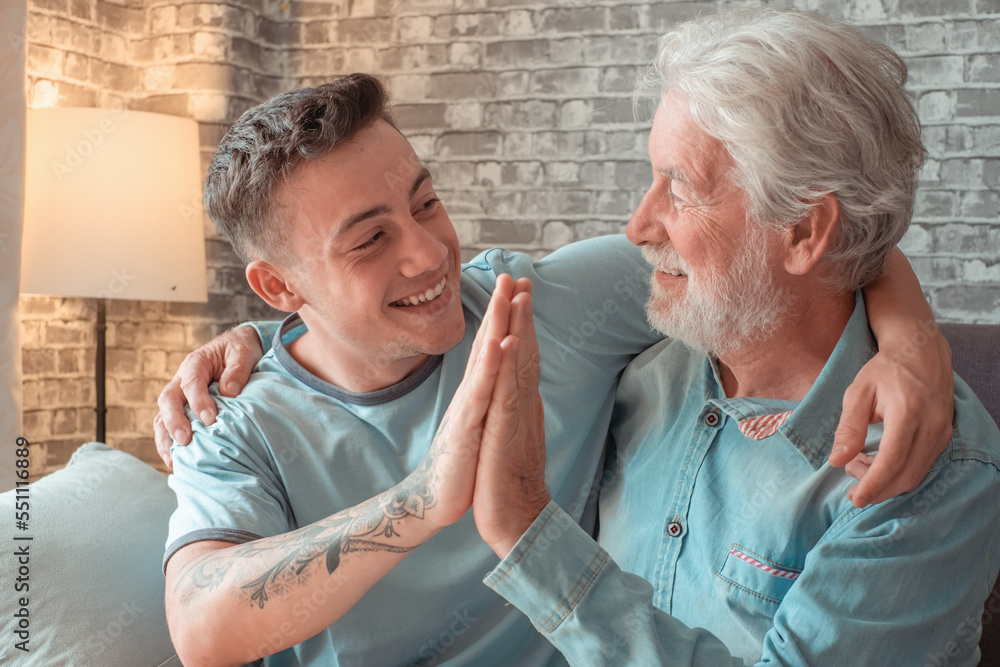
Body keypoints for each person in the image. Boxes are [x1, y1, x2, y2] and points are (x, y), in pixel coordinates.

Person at [158, 71, 955, 666]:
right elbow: (200, 627)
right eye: (370, 240)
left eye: (425, 202)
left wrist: (914, 342)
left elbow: (791, 253)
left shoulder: (541, 302)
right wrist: (424, 501)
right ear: (280, 286)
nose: (430, 252)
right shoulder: (233, 416)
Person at [466, 8, 1000, 665]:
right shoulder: (643, 351)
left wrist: (527, 530)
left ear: (804, 230)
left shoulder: (925, 472)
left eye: (679, 189)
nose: (637, 226)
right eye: (651, 177)